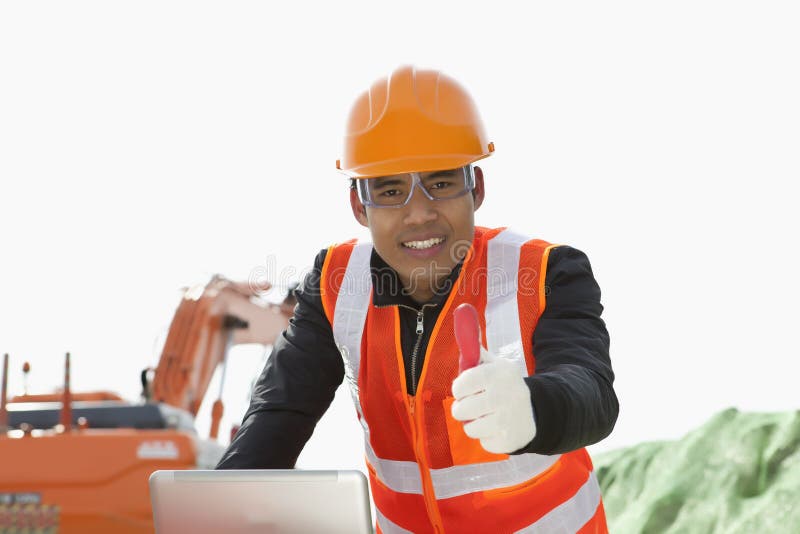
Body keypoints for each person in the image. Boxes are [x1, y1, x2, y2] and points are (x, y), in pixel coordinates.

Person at [217, 65, 618, 533]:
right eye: (390, 190)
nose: (419, 212)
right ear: (358, 208)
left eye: (442, 183)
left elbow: (591, 390)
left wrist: (535, 407)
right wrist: (219, 509)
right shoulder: (335, 285)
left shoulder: (547, 271)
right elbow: (280, 413)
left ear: (477, 189)